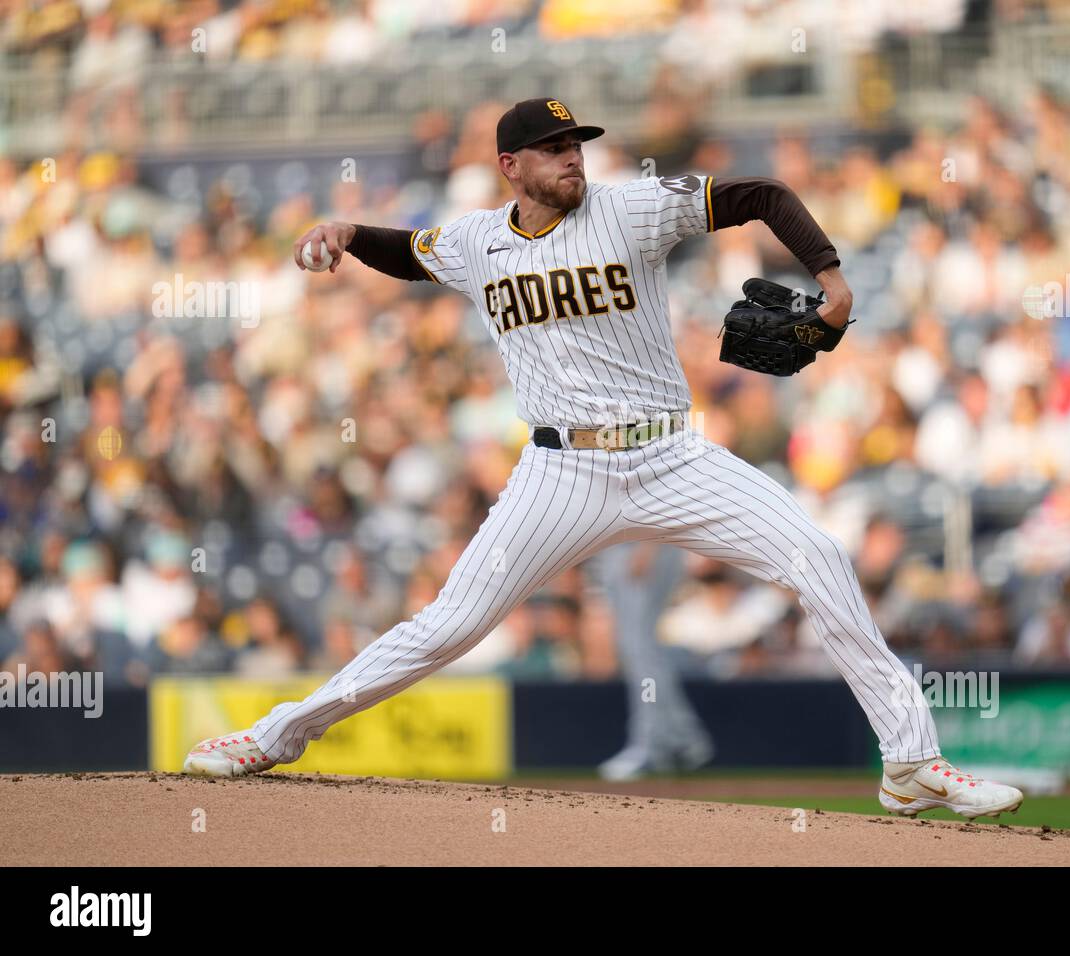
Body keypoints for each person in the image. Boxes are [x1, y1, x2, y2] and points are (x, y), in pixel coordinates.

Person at [183, 97, 1023, 820]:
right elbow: (407, 251)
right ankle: (276, 735)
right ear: (512, 166)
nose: (570, 158)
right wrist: (343, 230)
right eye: (552, 149)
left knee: (820, 556)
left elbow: (760, 192)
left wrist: (831, 276)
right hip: (560, 474)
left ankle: (909, 764)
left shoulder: (630, 210)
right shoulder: (478, 241)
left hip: (672, 456)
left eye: (576, 143)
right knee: (449, 625)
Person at [587, 542, 714, 781]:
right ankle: (683, 739)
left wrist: (648, 547)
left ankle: (650, 747)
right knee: (640, 649)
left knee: (640, 648)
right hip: (626, 544)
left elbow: (659, 504)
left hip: (640, 542)